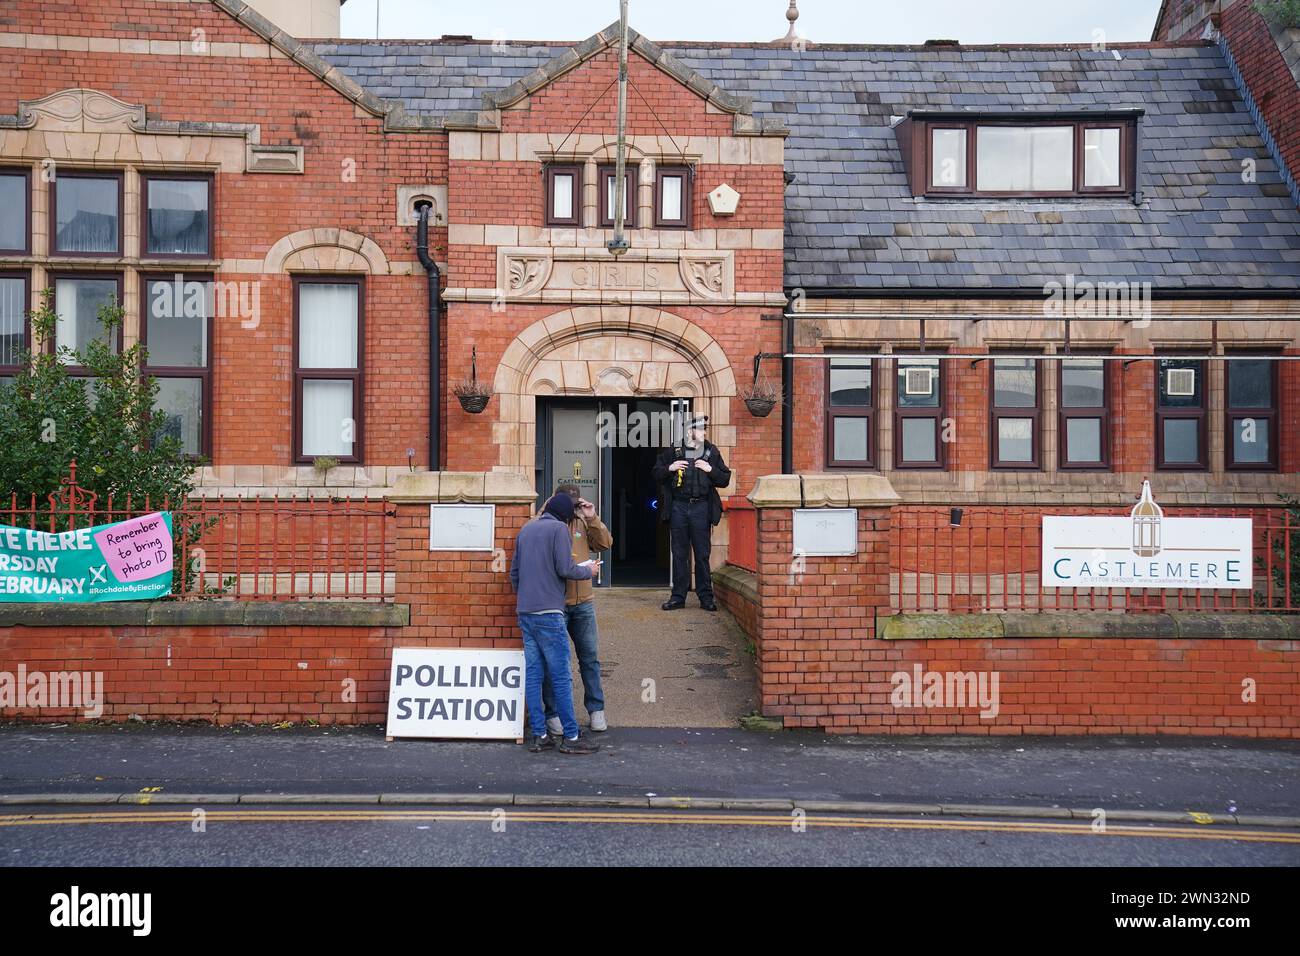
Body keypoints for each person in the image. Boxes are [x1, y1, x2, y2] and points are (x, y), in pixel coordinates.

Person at [509, 492, 601, 754]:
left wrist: (527, 595)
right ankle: (571, 737)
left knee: (535, 674)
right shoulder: (559, 529)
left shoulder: (526, 530)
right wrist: (589, 571)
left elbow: (514, 573)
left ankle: (540, 735)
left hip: (525, 611)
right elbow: (565, 568)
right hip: (550, 612)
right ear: (565, 516)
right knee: (561, 677)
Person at [542, 483, 614, 736]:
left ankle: (596, 710)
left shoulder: (583, 522)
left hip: (583, 601)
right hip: (556, 602)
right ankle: (553, 714)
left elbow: (605, 543)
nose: (573, 509)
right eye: (569, 504)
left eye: (576, 503)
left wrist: (592, 517)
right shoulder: (547, 522)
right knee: (555, 662)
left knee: (590, 658)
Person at [652, 414, 731, 612]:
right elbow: (656, 473)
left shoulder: (711, 452)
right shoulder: (675, 451)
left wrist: (710, 469)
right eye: (700, 428)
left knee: (702, 555)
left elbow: (725, 479)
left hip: (701, 508)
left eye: (705, 428)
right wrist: (670, 468)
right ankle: (678, 597)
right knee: (679, 554)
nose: (704, 431)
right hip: (679, 507)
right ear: (689, 431)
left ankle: (706, 597)